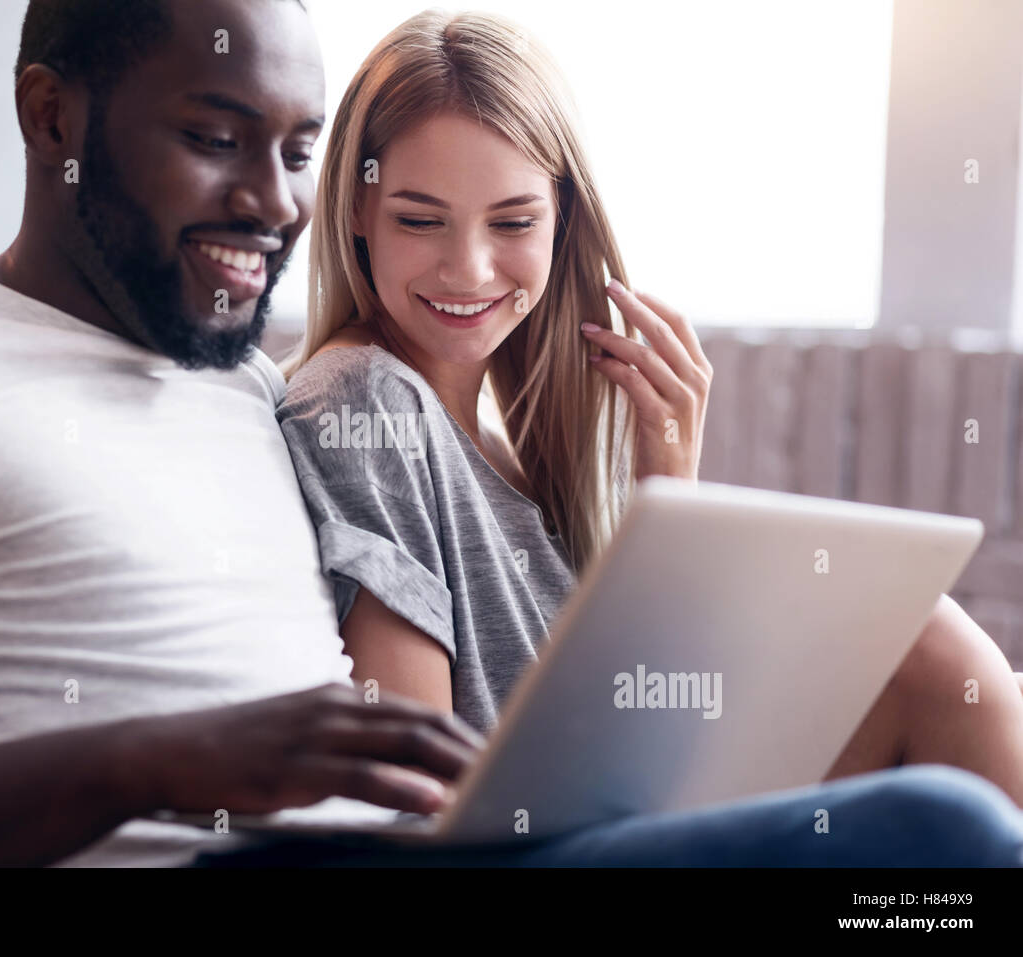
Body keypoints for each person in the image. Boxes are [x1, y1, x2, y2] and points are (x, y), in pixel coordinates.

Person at [0, 0, 1019, 869]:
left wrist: (663, 503)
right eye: (215, 141)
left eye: (295, 152)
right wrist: (154, 757)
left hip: (362, 847)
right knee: (941, 835)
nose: (270, 202)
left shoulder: (245, 395)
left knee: (924, 689)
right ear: (51, 117)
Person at [276, 9, 1023, 806]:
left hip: (602, 811)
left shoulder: (507, 445)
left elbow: (631, 710)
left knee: (947, 659)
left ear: (564, 219)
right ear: (355, 208)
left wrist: (665, 497)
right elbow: (414, 782)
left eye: (514, 221)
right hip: (540, 845)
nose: (469, 268)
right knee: (930, 656)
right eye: (419, 220)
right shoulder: (365, 398)